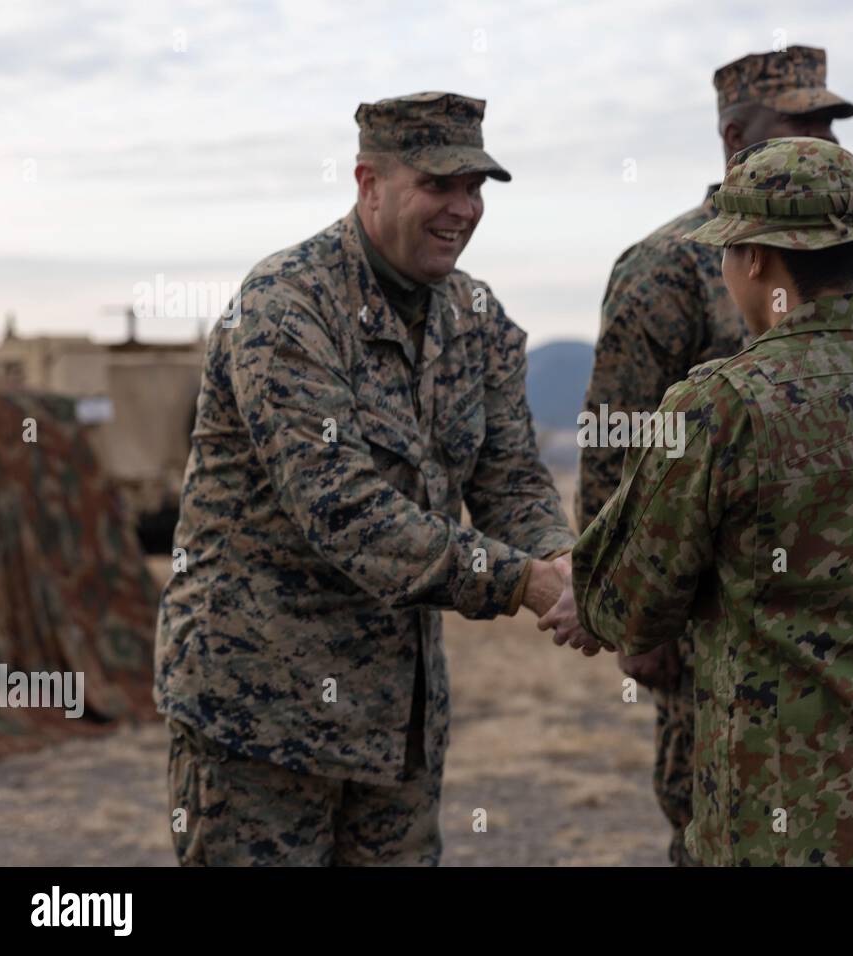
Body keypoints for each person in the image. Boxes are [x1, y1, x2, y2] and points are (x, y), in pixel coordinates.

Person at [154, 92, 578, 866]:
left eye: (476, 187)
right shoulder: (284, 308)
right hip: (260, 719)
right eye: (439, 185)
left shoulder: (475, 317)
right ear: (368, 183)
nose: (463, 209)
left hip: (396, 725)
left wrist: (561, 557)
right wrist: (527, 584)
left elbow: (510, 474)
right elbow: (344, 511)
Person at [555, 137, 853, 866]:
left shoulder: (718, 406)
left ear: (753, 258)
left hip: (790, 822)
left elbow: (628, 604)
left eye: (728, 253)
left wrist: (572, 585)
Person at [576, 44, 853, 865]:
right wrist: (635, 621)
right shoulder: (666, 267)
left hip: (827, 619)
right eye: (799, 123)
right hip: (713, 623)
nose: (821, 138)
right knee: (717, 825)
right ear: (736, 135)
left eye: (828, 123)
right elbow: (615, 445)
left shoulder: (832, 253)